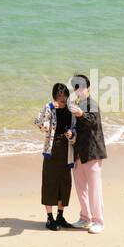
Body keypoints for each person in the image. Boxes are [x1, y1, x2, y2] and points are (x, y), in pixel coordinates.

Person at [33, 82, 76, 231]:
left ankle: (60, 216)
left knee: (65, 183)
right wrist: (49, 108)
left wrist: (72, 134)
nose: (62, 98)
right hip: (52, 151)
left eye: (64, 95)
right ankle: (49, 218)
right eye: (59, 95)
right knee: (50, 183)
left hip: (66, 150)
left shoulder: (71, 109)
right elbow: (38, 123)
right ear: (54, 96)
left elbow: (75, 128)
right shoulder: (49, 108)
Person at [68, 74, 107, 234]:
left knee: (94, 189)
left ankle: (98, 221)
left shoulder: (92, 104)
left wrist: (80, 114)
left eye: (81, 87)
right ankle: (85, 218)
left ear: (88, 88)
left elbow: (91, 119)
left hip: (92, 152)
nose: (78, 90)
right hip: (78, 152)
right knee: (80, 187)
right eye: (75, 87)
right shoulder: (76, 105)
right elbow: (75, 127)